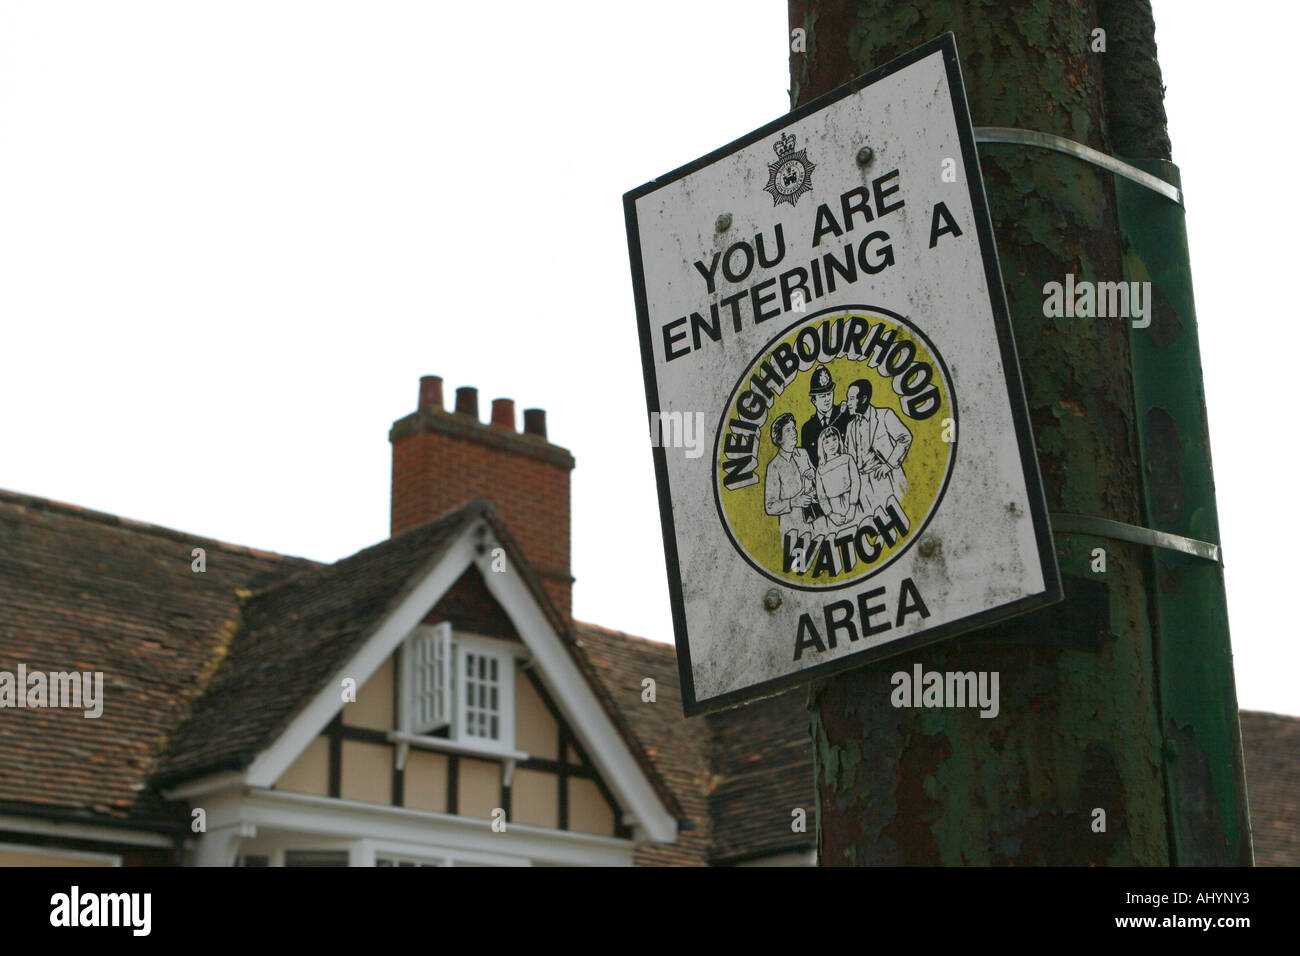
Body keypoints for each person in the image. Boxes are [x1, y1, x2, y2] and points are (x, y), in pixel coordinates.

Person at [842, 377, 912, 515]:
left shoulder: (885, 415)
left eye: (851, 398)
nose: (847, 403)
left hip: (884, 480)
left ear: (863, 399)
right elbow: (847, 456)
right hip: (862, 486)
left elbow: (905, 438)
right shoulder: (850, 426)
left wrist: (889, 465)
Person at [763, 413, 818, 538]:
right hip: (792, 528)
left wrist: (815, 476)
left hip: (815, 522)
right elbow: (770, 506)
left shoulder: (803, 454)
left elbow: (819, 485)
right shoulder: (774, 466)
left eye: (794, 428)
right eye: (788, 430)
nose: (794, 432)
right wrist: (794, 502)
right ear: (779, 437)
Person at [814, 427, 861, 533]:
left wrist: (852, 507)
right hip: (834, 512)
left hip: (852, 505)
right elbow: (821, 496)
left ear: (839, 441)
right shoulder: (820, 469)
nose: (831, 444)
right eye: (826, 442)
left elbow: (856, 482)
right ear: (821, 446)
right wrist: (831, 515)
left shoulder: (847, 458)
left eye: (834, 440)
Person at [801, 364, 840, 468]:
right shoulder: (807, 428)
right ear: (814, 401)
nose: (827, 399)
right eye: (822, 396)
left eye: (829, 394)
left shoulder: (844, 416)